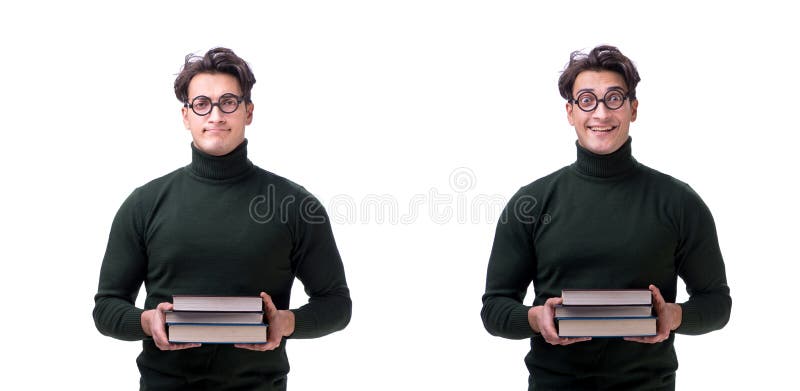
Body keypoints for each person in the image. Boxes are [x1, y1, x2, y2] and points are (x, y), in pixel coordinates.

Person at [93, 47, 352, 390]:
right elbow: (106, 308)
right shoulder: (144, 204)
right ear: (186, 116)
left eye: (228, 101)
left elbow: (336, 304)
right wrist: (146, 320)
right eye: (202, 104)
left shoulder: (294, 205)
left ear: (249, 111)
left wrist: (285, 323)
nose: (215, 115)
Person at [480, 45, 731, 390]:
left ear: (634, 109)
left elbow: (717, 303)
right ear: (570, 112)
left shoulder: (679, 202)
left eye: (614, 98)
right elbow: (494, 309)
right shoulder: (531, 202)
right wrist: (536, 319)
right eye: (587, 100)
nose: (600, 113)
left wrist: (673, 316)